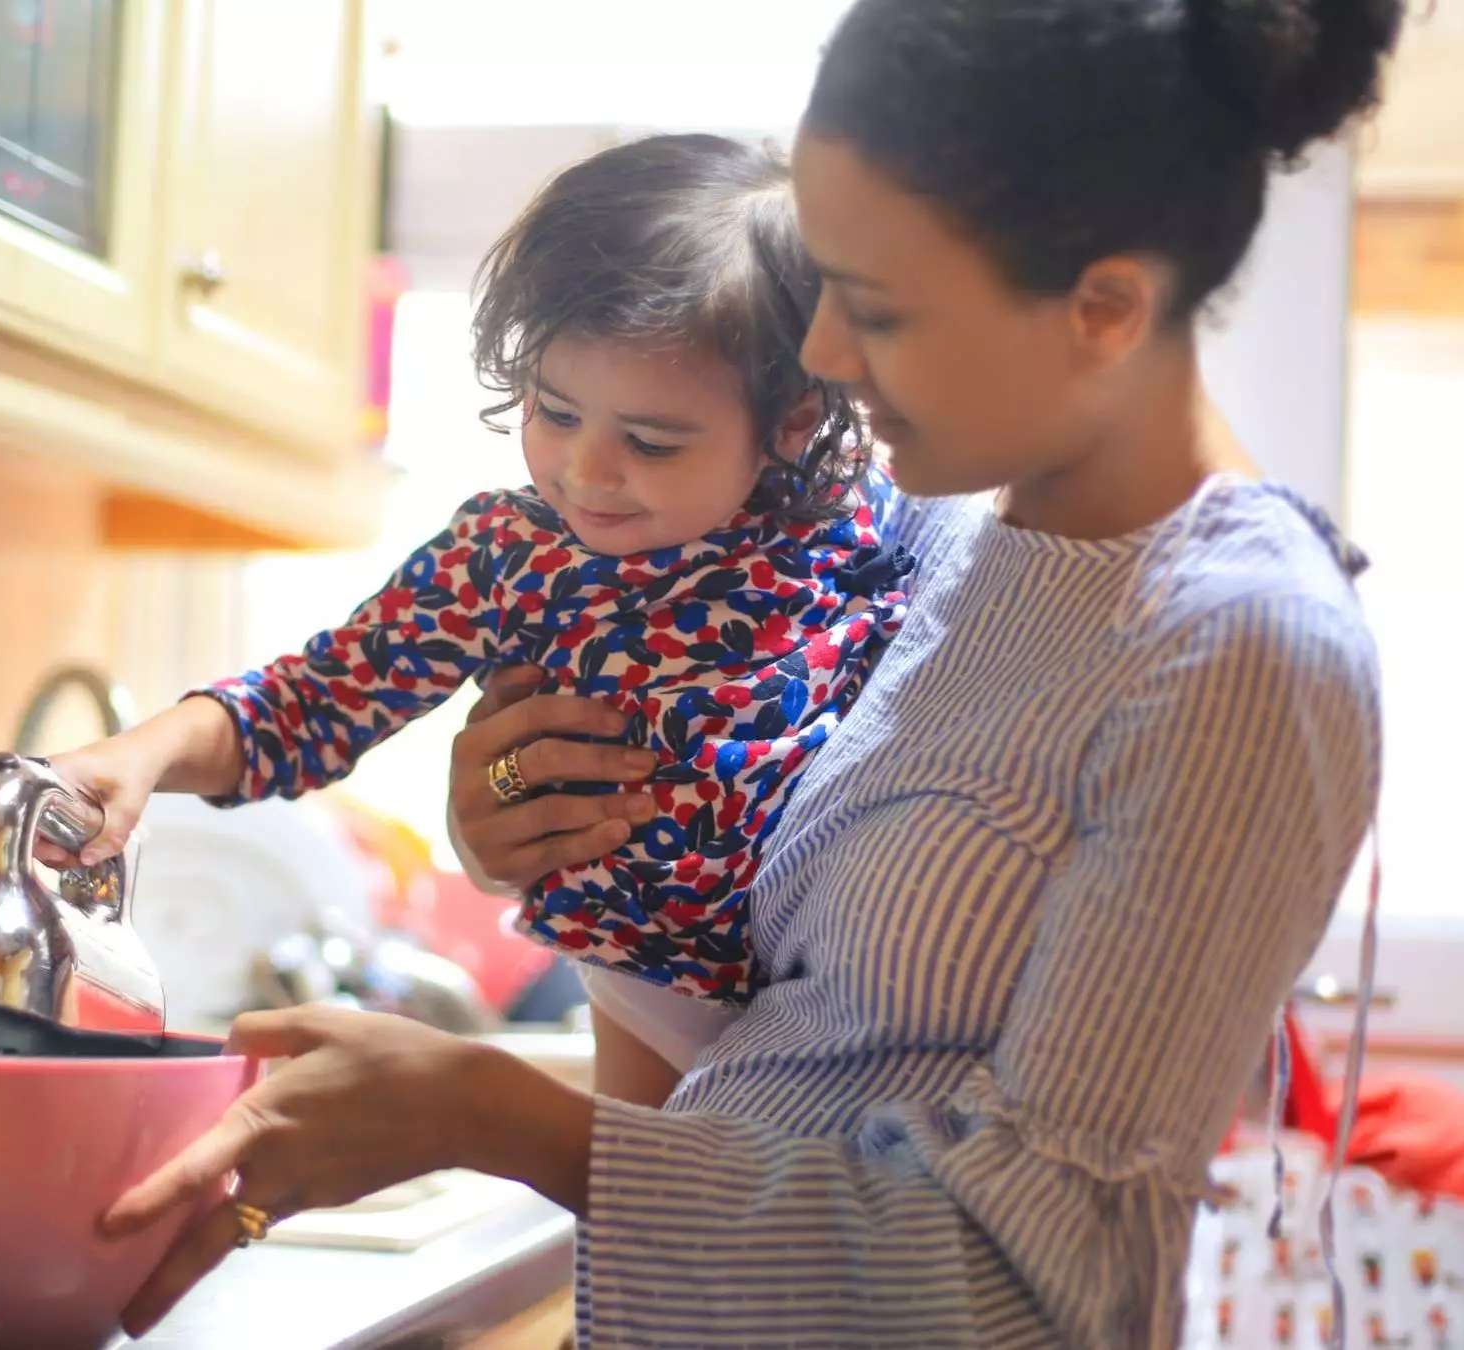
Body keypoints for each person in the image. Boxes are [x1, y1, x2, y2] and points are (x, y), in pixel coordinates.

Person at [93, 0, 1401, 1344]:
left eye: (876, 307)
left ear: (1105, 307)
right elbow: (761, 922)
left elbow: (1035, 1284)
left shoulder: (1237, 650)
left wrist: (492, 1114)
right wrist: (496, 800)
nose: (820, 357)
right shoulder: (942, 532)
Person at [47, 133, 911, 1110]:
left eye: (651, 441)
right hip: (643, 989)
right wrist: (146, 756)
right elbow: (313, 703)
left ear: (793, 421)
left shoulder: (859, 528)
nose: (588, 472)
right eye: (555, 410)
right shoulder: (508, 557)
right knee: (646, 1222)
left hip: (837, 1000)